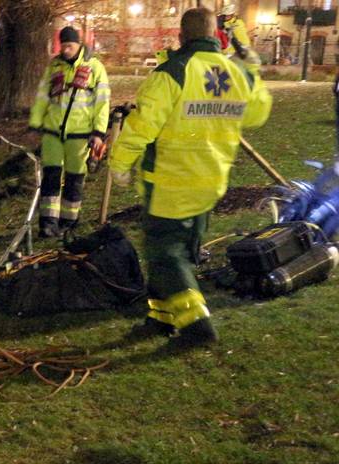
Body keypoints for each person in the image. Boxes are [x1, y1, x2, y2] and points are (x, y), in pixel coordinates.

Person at [109, 8, 271, 348]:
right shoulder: (235, 72)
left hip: (172, 181)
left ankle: (197, 326)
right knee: (180, 250)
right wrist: (248, 57)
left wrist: (120, 162)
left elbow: (142, 126)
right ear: (216, 34)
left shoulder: (173, 72)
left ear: (181, 36)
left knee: (166, 254)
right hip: (212, 180)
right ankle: (161, 317)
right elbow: (257, 113)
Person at [29, 26, 111, 238]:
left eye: (70, 46)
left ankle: (68, 222)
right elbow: (42, 97)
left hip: (80, 134)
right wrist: (36, 122)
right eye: (63, 45)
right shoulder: (54, 66)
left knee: (75, 179)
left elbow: (102, 103)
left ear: (79, 45)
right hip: (53, 132)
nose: (66, 50)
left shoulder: (95, 68)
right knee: (51, 177)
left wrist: (98, 132)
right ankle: (47, 223)